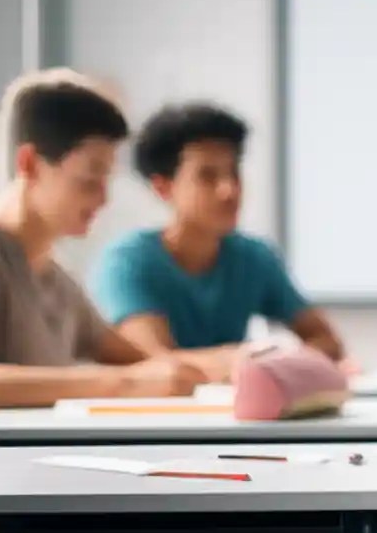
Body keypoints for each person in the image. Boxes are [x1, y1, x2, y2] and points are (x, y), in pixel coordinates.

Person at [0, 69, 210, 407]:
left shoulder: (57, 280)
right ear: (30, 164)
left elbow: (146, 364)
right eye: (90, 178)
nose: (103, 199)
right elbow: (129, 378)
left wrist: (231, 362)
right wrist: (121, 384)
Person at [91, 103, 346, 365]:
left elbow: (327, 342)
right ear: (163, 188)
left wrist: (275, 362)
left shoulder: (254, 257)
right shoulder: (127, 261)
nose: (229, 190)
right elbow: (156, 362)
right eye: (207, 176)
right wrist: (257, 359)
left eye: (234, 173)